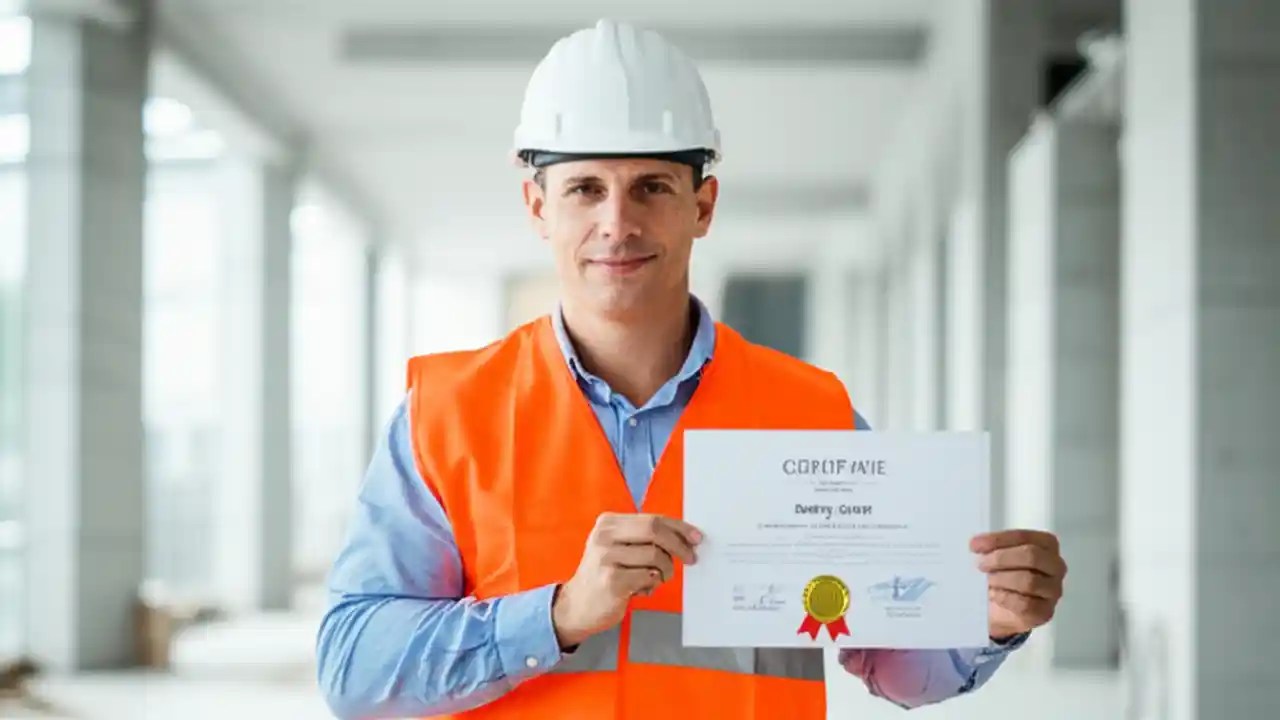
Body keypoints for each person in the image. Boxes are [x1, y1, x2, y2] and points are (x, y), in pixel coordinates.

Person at [316, 18, 1068, 719]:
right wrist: (558, 615)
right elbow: (355, 668)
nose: (617, 221)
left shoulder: (809, 414)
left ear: (703, 205)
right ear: (537, 206)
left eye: (652, 186)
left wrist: (988, 621)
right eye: (585, 189)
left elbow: (893, 659)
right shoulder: (448, 415)